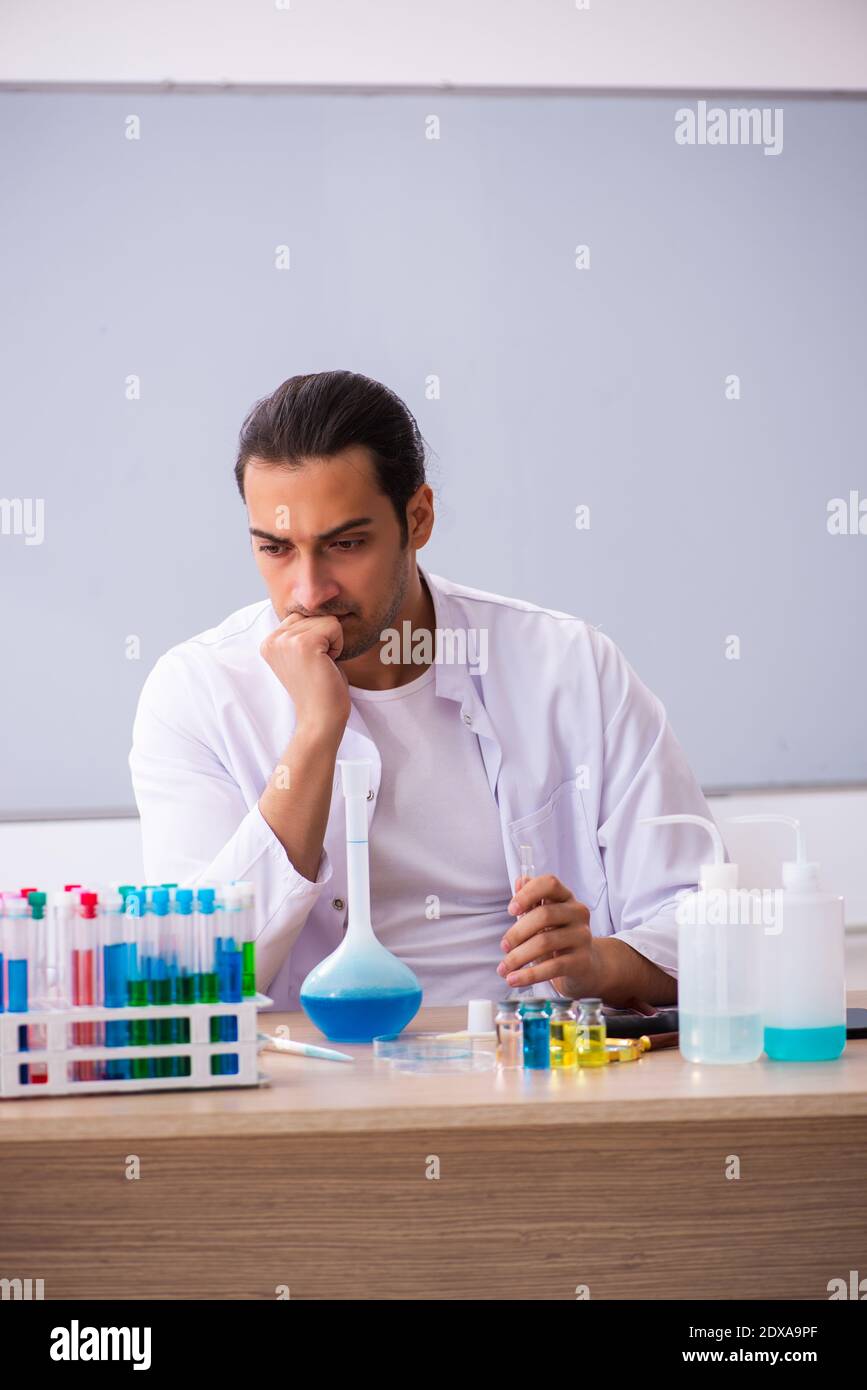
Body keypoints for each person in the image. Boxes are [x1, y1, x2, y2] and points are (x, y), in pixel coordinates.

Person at [129, 370, 713, 1010]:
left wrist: (599, 964)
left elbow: (704, 921)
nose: (308, 590)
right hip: (316, 1090)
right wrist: (317, 732)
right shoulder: (197, 692)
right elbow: (195, 980)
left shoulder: (567, 665)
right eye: (276, 548)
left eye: (345, 544)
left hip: (535, 1073)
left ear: (419, 517)